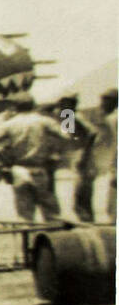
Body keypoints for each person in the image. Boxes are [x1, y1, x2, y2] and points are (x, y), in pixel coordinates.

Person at [0, 93, 72, 223]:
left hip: (19, 169)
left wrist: (3, 159)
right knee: (51, 214)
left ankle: (27, 241)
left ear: (15, 107)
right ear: (33, 105)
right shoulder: (43, 121)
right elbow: (67, 136)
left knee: (24, 216)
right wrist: (68, 113)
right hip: (39, 169)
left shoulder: (8, 124)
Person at [54, 94, 97, 221]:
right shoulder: (67, 116)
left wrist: (84, 150)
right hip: (72, 156)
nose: (61, 106)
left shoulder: (73, 115)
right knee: (76, 193)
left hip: (79, 156)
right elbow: (69, 135)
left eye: (64, 104)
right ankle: (83, 217)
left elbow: (92, 132)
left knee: (80, 190)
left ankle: (86, 219)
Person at [88, 87, 117, 223]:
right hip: (103, 168)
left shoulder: (112, 119)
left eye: (105, 100)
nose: (101, 104)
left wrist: (67, 112)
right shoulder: (107, 118)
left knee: (104, 209)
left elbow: (69, 135)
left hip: (107, 169)